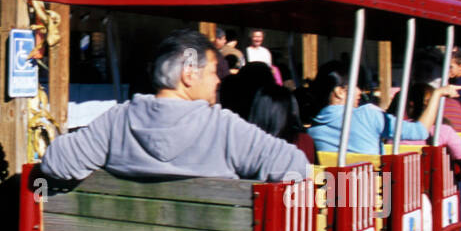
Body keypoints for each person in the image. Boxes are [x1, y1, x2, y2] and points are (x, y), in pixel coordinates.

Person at [40, 30, 310, 182]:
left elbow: (55, 163)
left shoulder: (116, 121)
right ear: (189, 75)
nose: (220, 80)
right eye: (215, 71)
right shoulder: (223, 127)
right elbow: (294, 167)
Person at [307, 60, 460, 156]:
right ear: (339, 92)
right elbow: (419, 132)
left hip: (336, 197)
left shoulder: (313, 129)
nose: (360, 92)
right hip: (378, 195)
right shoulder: (368, 114)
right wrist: (438, 94)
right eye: (356, 87)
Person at [389, 82, 461, 177]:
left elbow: (387, 172)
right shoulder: (444, 131)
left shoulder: (395, 131)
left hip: (396, 186)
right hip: (433, 186)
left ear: (409, 104)